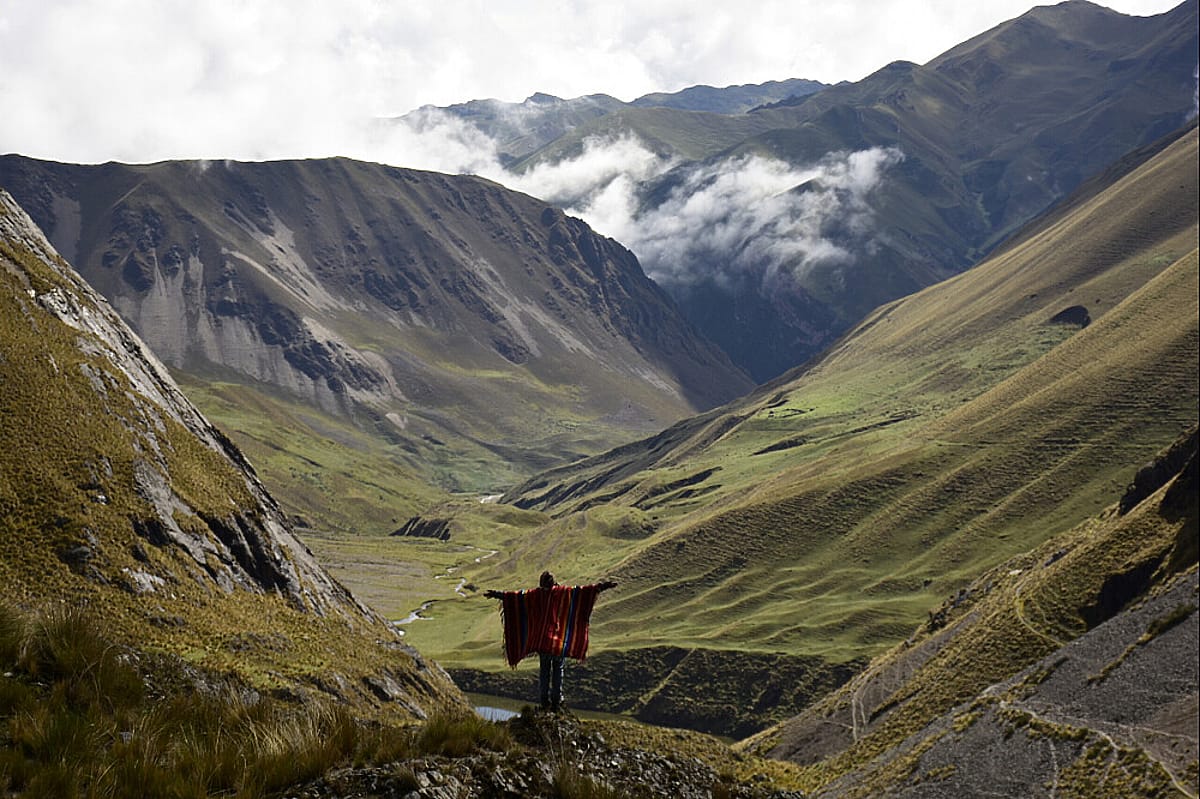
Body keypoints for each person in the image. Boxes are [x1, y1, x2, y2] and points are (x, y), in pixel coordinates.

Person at [484, 571, 617, 711]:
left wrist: (496, 594)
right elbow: (584, 591)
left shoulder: (535, 595)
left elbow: (516, 597)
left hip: (542, 644)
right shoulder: (564, 593)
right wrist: (605, 586)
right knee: (558, 670)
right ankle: (556, 701)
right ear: (553, 582)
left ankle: (544, 701)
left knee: (544, 671)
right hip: (558, 643)